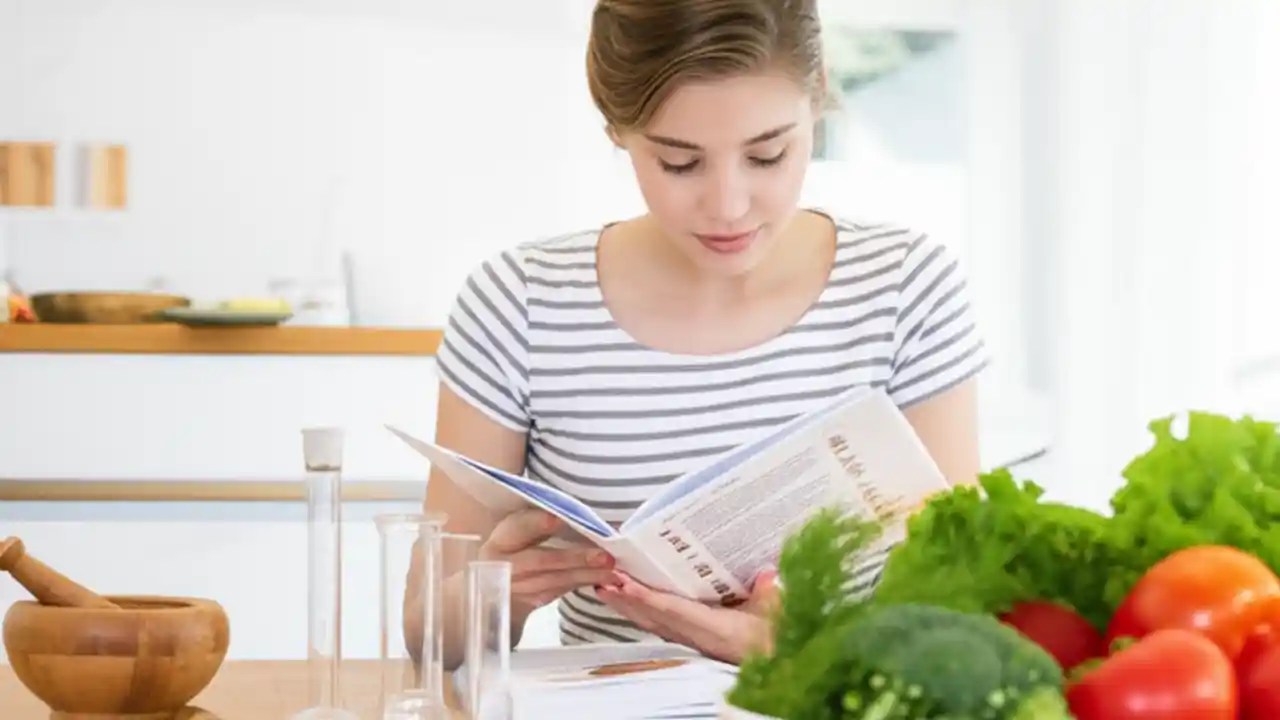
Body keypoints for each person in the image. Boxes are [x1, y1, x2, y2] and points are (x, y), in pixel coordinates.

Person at [412, 0, 988, 668]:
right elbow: (427, 634)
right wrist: (495, 597)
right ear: (616, 128)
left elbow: (963, 611)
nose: (728, 205)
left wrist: (798, 653)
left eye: (768, 155)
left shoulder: (903, 288)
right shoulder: (521, 303)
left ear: (818, 94)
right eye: (680, 163)